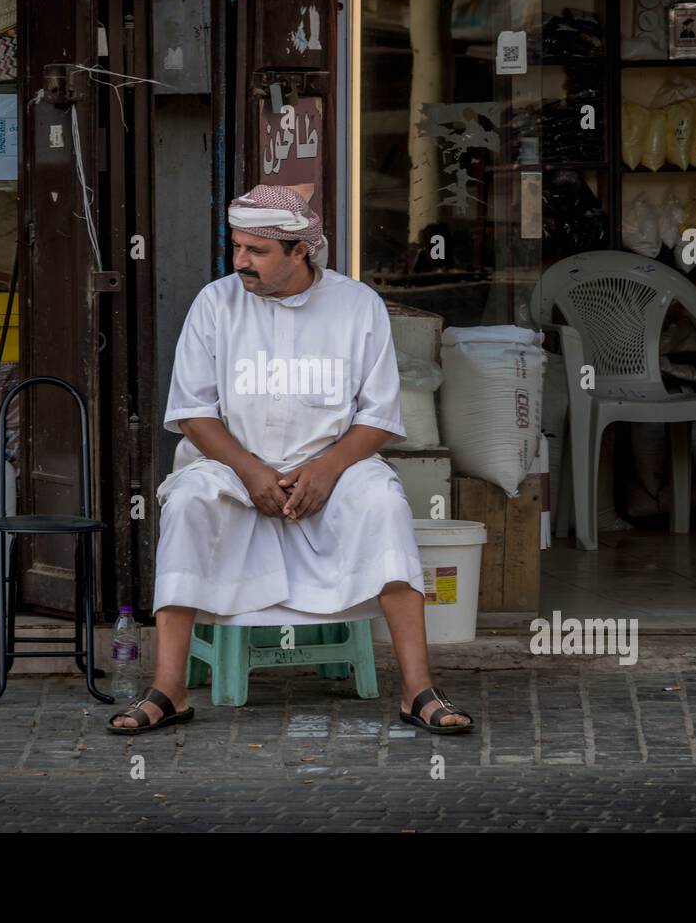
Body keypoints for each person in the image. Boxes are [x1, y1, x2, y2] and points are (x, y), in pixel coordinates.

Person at [108, 184, 473, 735]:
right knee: (186, 500)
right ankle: (169, 689)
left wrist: (326, 471)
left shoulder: (357, 306)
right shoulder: (216, 303)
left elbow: (378, 416)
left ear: (300, 250)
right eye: (237, 247)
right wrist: (251, 472)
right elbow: (192, 412)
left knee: (384, 501)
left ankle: (418, 689)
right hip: (232, 470)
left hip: (332, 468)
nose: (240, 262)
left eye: (257, 251)